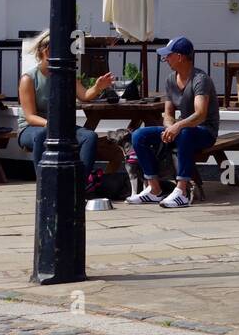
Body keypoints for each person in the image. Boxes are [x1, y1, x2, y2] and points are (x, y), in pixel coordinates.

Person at [128, 38, 219, 208]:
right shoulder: (171, 79)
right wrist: (170, 127)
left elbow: (200, 114)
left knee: (184, 133)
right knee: (139, 135)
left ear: (179, 57)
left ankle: (182, 192)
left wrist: (177, 126)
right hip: (183, 129)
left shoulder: (200, 79)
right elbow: (168, 114)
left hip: (205, 131)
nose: (165, 59)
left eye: (168, 56)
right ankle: (154, 189)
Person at [17, 30, 114, 186]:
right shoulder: (29, 79)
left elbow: (85, 95)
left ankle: (79, 185)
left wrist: (98, 87)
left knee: (89, 137)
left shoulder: (66, 73)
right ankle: (44, 184)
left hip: (61, 126)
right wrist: (50, 124)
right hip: (32, 127)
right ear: (46, 52)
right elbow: (30, 116)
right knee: (42, 135)